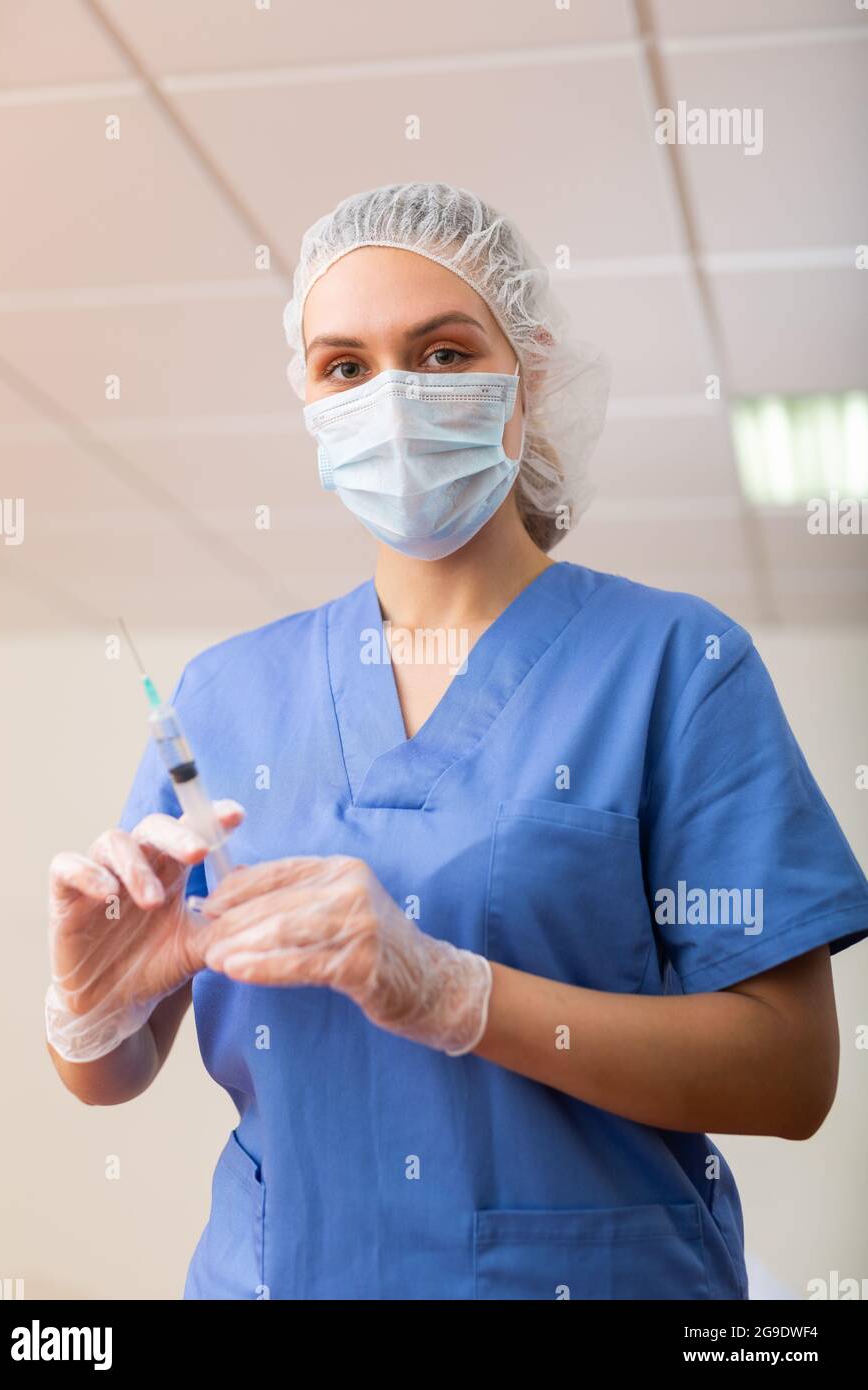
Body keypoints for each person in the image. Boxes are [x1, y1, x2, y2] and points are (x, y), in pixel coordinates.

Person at [45, 182, 868, 1301]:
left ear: (527, 378)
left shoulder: (675, 665)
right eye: (345, 366)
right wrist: (92, 1009)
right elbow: (115, 1073)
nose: (390, 398)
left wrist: (454, 992)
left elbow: (791, 1075)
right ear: (310, 401)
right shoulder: (227, 693)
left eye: (440, 353)